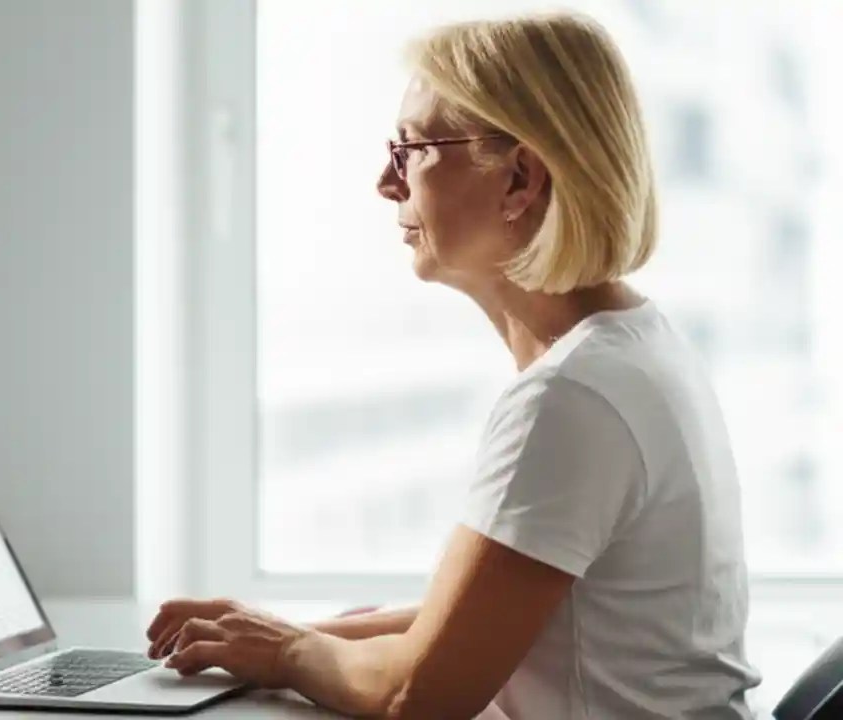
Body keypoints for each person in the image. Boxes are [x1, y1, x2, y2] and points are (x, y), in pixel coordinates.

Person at [144, 11, 761, 719]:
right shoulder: (638, 349)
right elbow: (490, 619)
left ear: (519, 178)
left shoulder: (573, 397)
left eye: (412, 149)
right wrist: (281, 636)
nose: (386, 181)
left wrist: (286, 651)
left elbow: (420, 692)